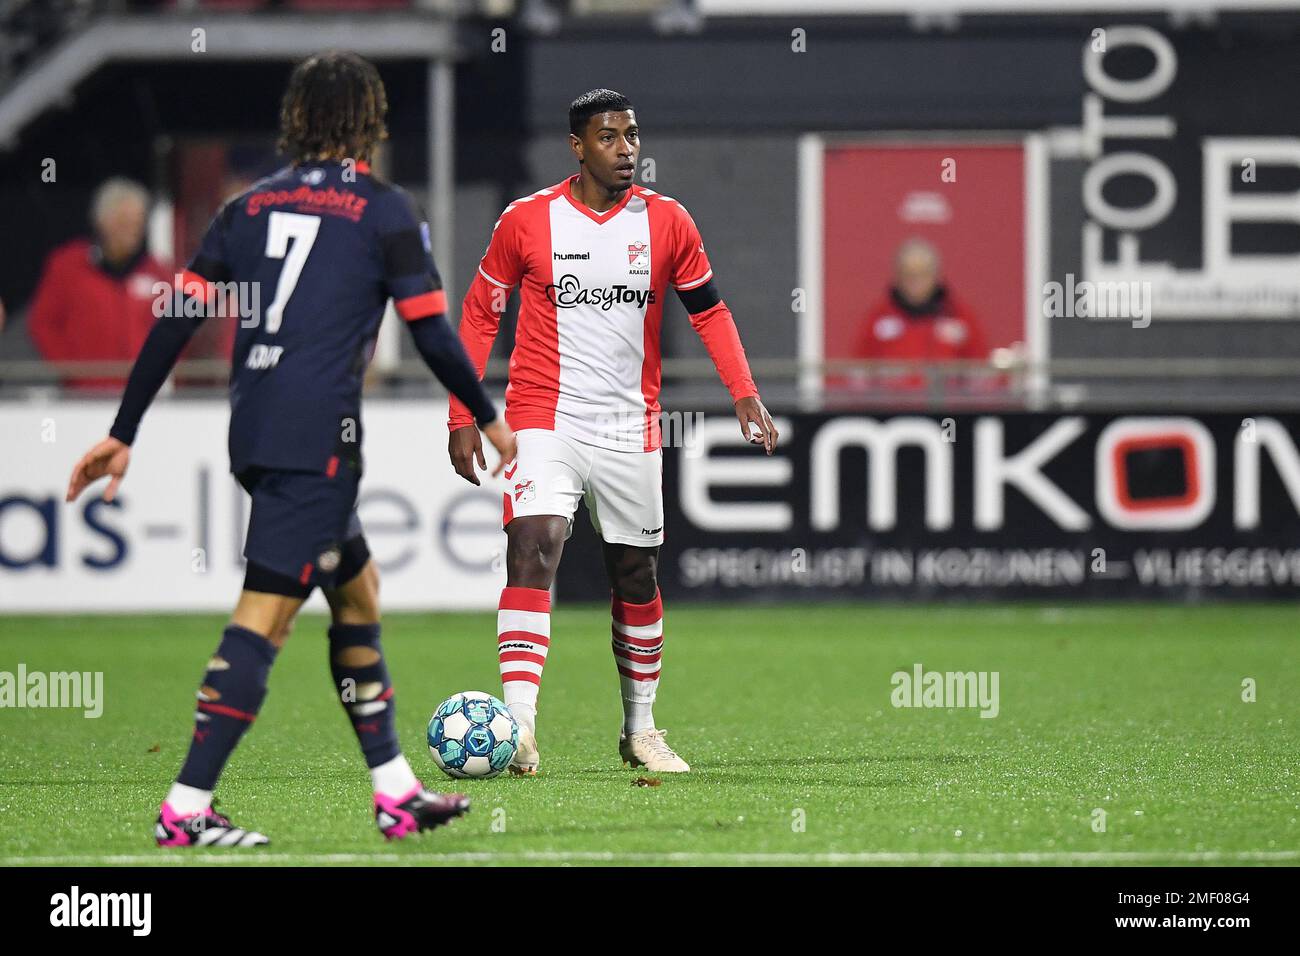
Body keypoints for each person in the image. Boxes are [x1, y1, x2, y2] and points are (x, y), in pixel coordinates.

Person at [65, 51, 514, 847]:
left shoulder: (248, 208)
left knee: (357, 591)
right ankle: (186, 809)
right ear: (368, 119)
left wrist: (124, 429)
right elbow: (431, 328)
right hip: (318, 438)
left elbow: (175, 318)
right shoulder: (382, 209)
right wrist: (484, 409)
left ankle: (396, 792)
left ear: (297, 120)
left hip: (258, 423)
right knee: (264, 619)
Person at [446, 89, 777, 776]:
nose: (626, 149)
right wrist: (463, 414)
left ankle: (640, 729)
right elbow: (479, 316)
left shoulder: (669, 222)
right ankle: (520, 730)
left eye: (631, 135)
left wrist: (743, 393)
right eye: (609, 137)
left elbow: (709, 312)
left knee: (635, 573)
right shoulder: (527, 222)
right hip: (543, 418)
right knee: (534, 544)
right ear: (578, 146)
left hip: (631, 426)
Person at [27, 178, 172, 390]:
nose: (133, 230)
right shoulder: (68, 267)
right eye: (124, 221)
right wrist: (72, 371)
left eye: (138, 222)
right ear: (103, 222)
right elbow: (43, 323)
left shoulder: (157, 272)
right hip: (84, 396)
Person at [852, 237, 987, 392]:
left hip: (946, 410)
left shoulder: (960, 316)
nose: (915, 281)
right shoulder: (878, 317)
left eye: (923, 273)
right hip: (893, 408)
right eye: (908, 273)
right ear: (897, 276)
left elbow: (981, 372)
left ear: (936, 275)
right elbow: (858, 373)